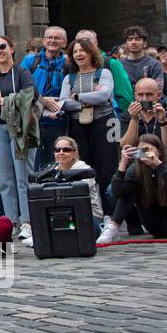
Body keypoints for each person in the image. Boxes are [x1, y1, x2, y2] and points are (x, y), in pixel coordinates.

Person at [0, 34, 38, 245]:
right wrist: (9, 104)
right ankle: (11, 222)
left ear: (12, 48)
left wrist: (2, 101)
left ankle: (28, 222)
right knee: (5, 179)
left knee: (23, 177)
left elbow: (32, 95)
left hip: (20, 129)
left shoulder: (22, 71)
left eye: (2, 46)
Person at [57, 36, 118, 217]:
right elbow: (63, 102)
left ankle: (109, 215)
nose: (78, 54)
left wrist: (78, 97)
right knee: (82, 167)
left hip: (105, 124)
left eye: (82, 50)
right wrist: (88, 99)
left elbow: (105, 95)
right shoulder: (69, 77)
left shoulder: (104, 73)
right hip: (78, 125)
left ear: (91, 53)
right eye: (75, 52)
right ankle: (88, 213)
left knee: (107, 168)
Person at [24, 26, 69, 171]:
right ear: (43, 40)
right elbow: (22, 88)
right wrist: (43, 99)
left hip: (59, 121)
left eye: (57, 38)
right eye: (49, 37)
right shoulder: (31, 61)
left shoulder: (69, 63)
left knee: (58, 161)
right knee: (35, 164)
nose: (52, 40)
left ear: (65, 42)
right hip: (33, 120)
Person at [76, 28, 133, 118]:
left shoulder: (111, 63)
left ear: (96, 42)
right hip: (81, 118)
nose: (84, 44)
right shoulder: (75, 66)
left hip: (109, 118)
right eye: (79, 41)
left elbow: (125, 95)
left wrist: (121, 118)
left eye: (87, 40)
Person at [121, 77, 167, 156]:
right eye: (140, 95)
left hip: (165, 161)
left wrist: (163, 122)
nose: (145, 98)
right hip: (136, 161)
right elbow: (126, 147)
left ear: (159, 95)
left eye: (149, 94)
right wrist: (134, 119)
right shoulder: (126, 117)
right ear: (135, 96)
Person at [120, 26, 165, 94]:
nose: (133, 42)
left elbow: (157, 90)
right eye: (130, 39)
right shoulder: (119, 65)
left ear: (145, 43)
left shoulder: (154, 64)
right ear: (126, 43)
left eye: (137, 39)